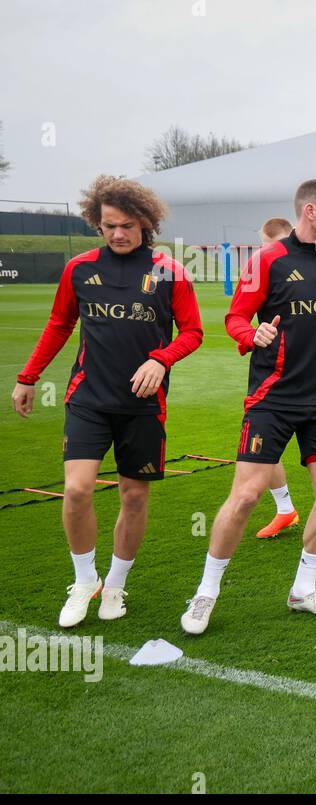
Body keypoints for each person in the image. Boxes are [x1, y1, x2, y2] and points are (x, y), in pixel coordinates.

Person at [179, 179, 316, 635]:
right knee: (245, 497)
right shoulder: (267, 261)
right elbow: (235, 317)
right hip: (273, 400)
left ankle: (303, 590)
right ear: (310, 212)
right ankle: (205, 593)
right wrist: (250, 335)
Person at [12, 175, 204, 628]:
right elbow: (60, 324)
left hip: (143, 404)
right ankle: (84, 582)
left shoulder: (168, 272)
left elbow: (193, 332)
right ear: (97, 224)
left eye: (127, 226)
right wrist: (28, 377)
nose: (118, 234)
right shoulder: (79, 269)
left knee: (133, 497)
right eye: (109, 225)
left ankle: (115, 584)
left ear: (145, 224)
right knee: (77, 489)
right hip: (89, 398)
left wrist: (161, 359)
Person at [251, 216, 303, 538]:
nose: (265, 253)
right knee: (261, 450)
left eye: (268, 246)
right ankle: (285, 509)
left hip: (314, 375)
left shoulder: (314, 267)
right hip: (272, 375)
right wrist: (250, 334)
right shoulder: (262, 269)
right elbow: (237, 317)